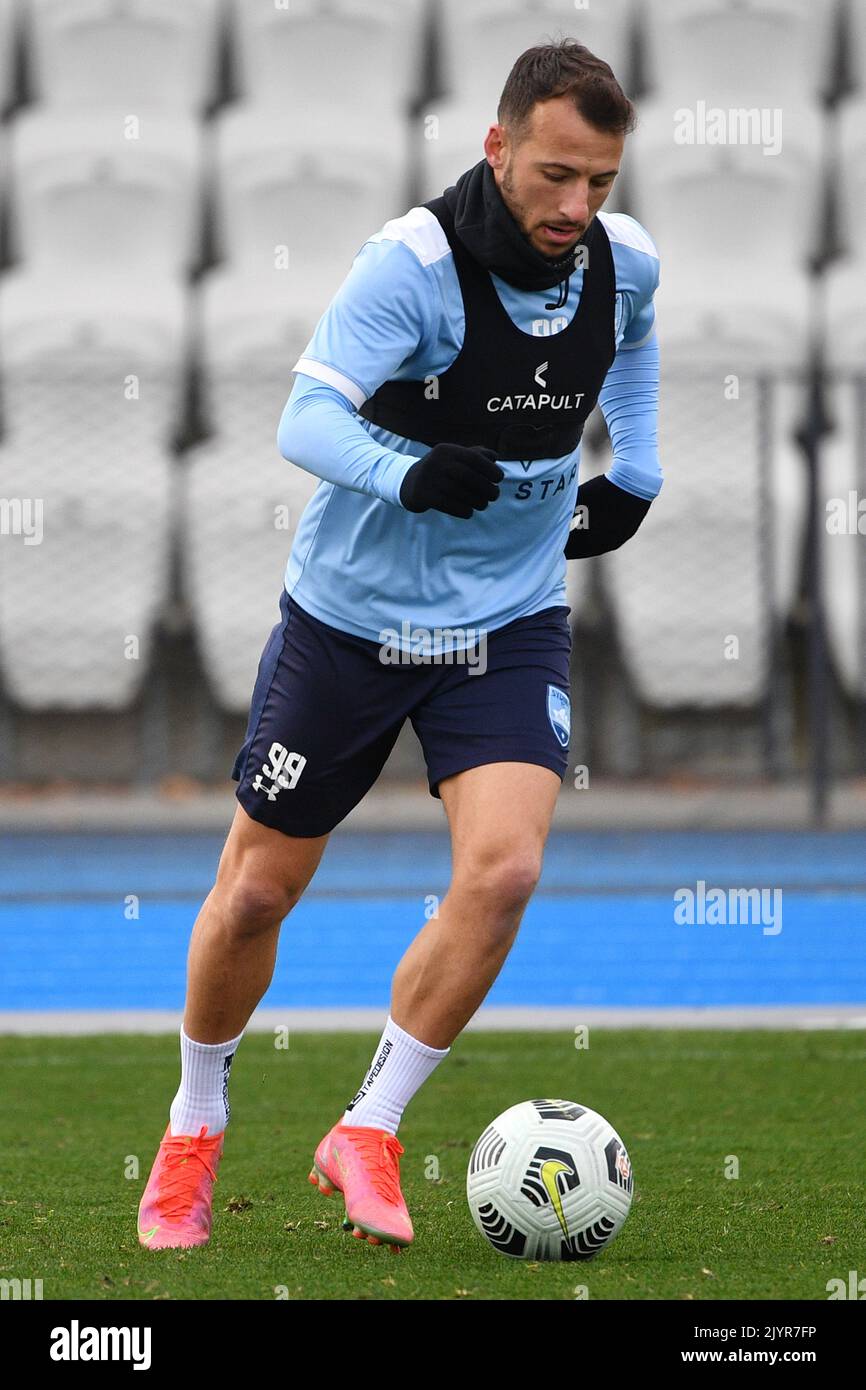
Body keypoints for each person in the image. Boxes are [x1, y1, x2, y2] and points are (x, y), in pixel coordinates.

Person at [138, 38, 661, 1254]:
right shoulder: (409, 266)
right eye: (553, 176)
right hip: (350, 625)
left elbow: (631, 349)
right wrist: (407, 469)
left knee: (506, 871)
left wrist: (632, 464)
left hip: (507, 622)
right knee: (258, 889)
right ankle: (194, 1123)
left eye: (598, 181)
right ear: (496, 147)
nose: (575, 207)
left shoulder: (624, 262)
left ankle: (367, 1126)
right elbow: (303, 415)